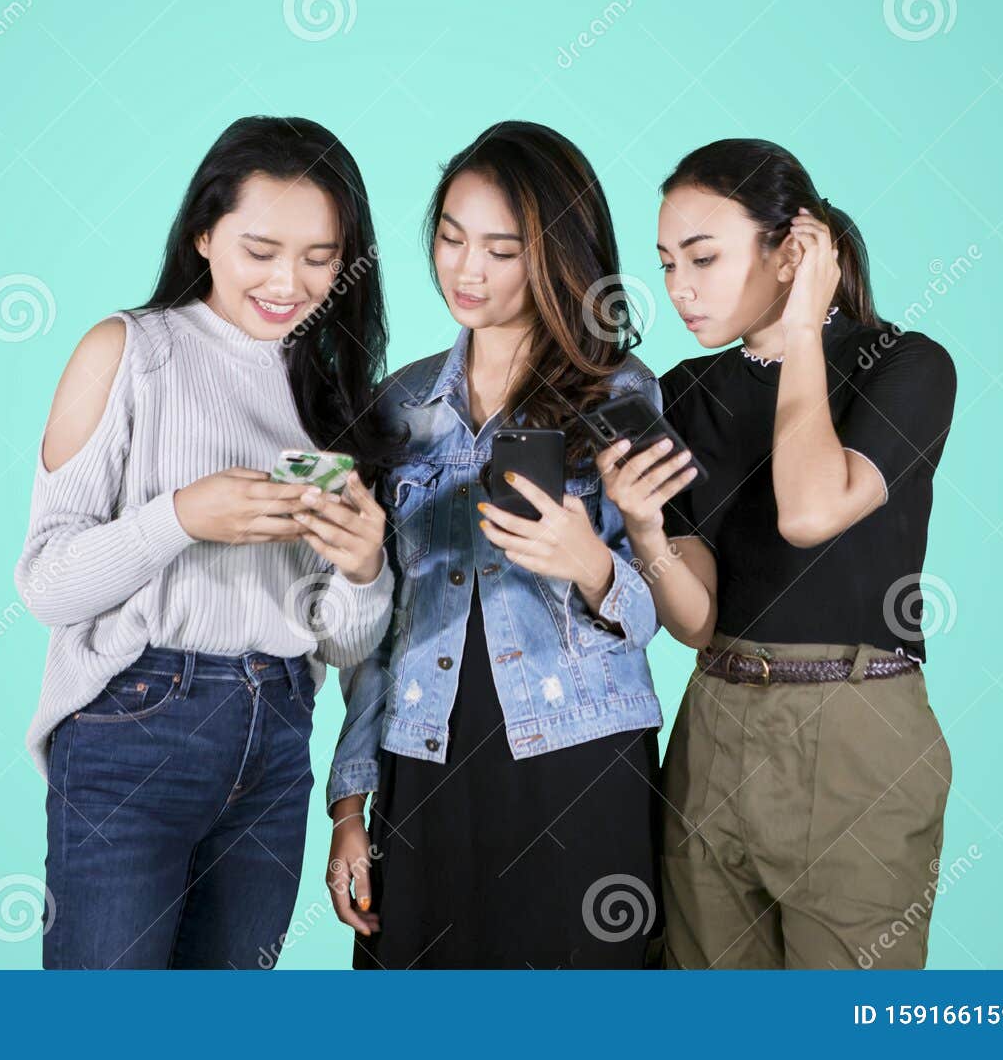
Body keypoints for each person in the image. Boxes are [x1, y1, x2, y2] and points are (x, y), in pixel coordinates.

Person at [16, 116, 394, 969]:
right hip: (136, 723)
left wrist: (364, 568)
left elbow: (341, 642)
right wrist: (180, 516)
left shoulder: (334, 395)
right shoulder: (126, 351)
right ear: (203, 233)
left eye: (319, 256)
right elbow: (45, 583)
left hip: (276, 740)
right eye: (259, 248)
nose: (287, 281)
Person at [601, 138, 957, 969]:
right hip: (716, 719)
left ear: (793, 250)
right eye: (666, 263)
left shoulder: (905, 365)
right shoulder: (687, 391)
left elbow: (809, 510)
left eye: (703, 258)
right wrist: (646, 531)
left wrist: (803, 326)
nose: (679, 288)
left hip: (855, 726)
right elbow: (696, 621)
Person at [326, 122, 665, 969]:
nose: (466, 269)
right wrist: (347, 805)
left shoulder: (621, 394)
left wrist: (591, 564)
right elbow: (373, 625)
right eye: (450, 237)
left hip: (580, 753)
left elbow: (659, 604)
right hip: (425, 754)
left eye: (501, 249)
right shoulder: (396, 407)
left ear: (554, 257)